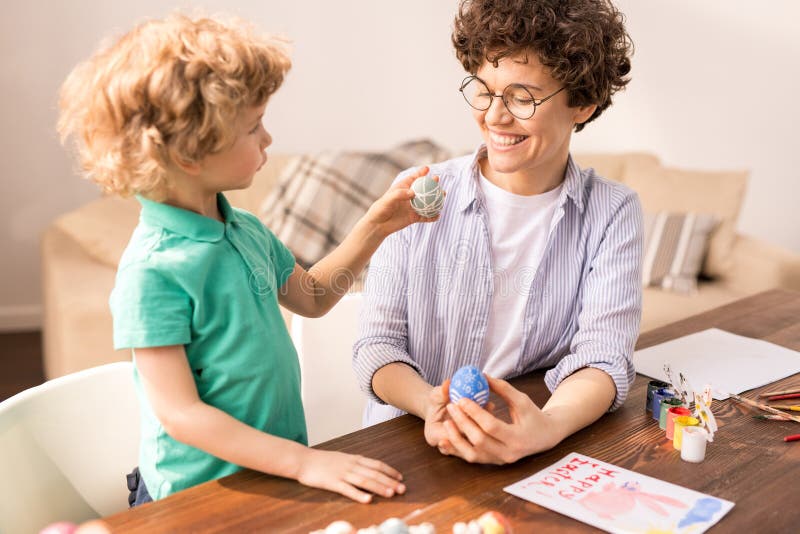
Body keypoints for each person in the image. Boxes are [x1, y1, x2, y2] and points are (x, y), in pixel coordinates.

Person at [57, 14, 436, 504]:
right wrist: (305, 462)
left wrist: (376, 226)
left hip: (270, 475)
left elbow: (313, 296)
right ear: (191, 153)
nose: (268, 139)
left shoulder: (244, 229)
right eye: (254, 126)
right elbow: (181, 414)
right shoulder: (152, 273)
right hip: (195, 499)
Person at [353, 0, 642, 465]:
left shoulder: (612, 211)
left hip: (528, 445)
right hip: (407, 446)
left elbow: (603, 357)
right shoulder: (420, 192)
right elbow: (377, 347)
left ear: (582, 104)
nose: (494, 116)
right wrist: (432, 405)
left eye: (522, 97)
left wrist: (549, 427)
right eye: (484, 91)